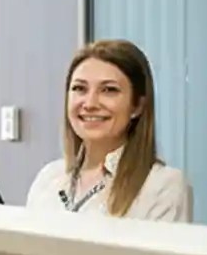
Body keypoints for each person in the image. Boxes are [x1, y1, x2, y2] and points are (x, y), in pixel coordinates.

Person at [26, 39, 193, 221]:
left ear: (137, 106)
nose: (90, 104)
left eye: (108, 90)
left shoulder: (163, 186)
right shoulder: (49, 178)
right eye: (79, 89)